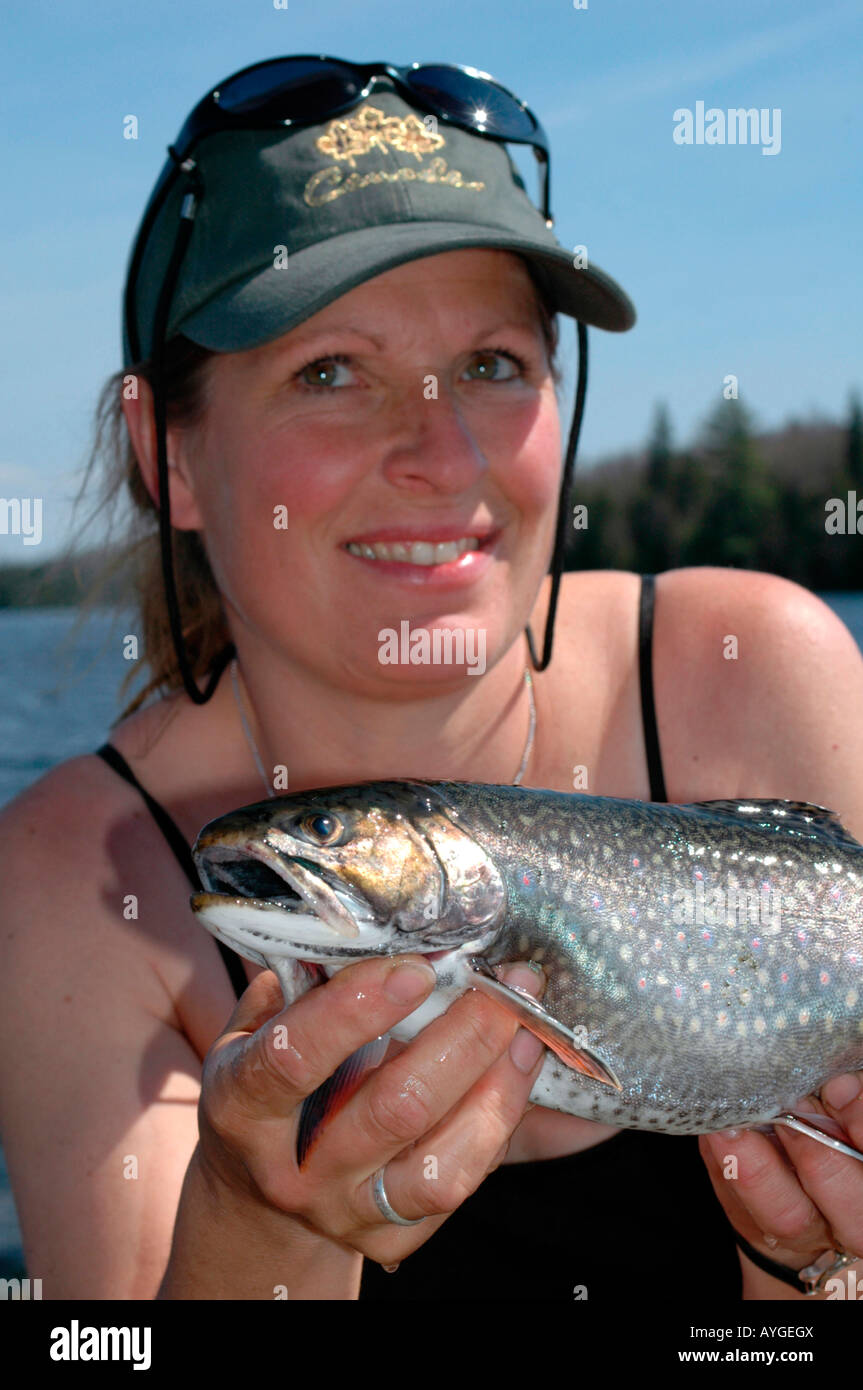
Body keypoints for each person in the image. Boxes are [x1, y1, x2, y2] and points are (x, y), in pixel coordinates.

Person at [1, 56, 862, 1302]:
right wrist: (261, 1233)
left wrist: (818, 1286)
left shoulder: (754, 673)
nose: (440, 450)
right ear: (167, 454)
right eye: (331, 371)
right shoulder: (74, 885)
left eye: (493, 364)